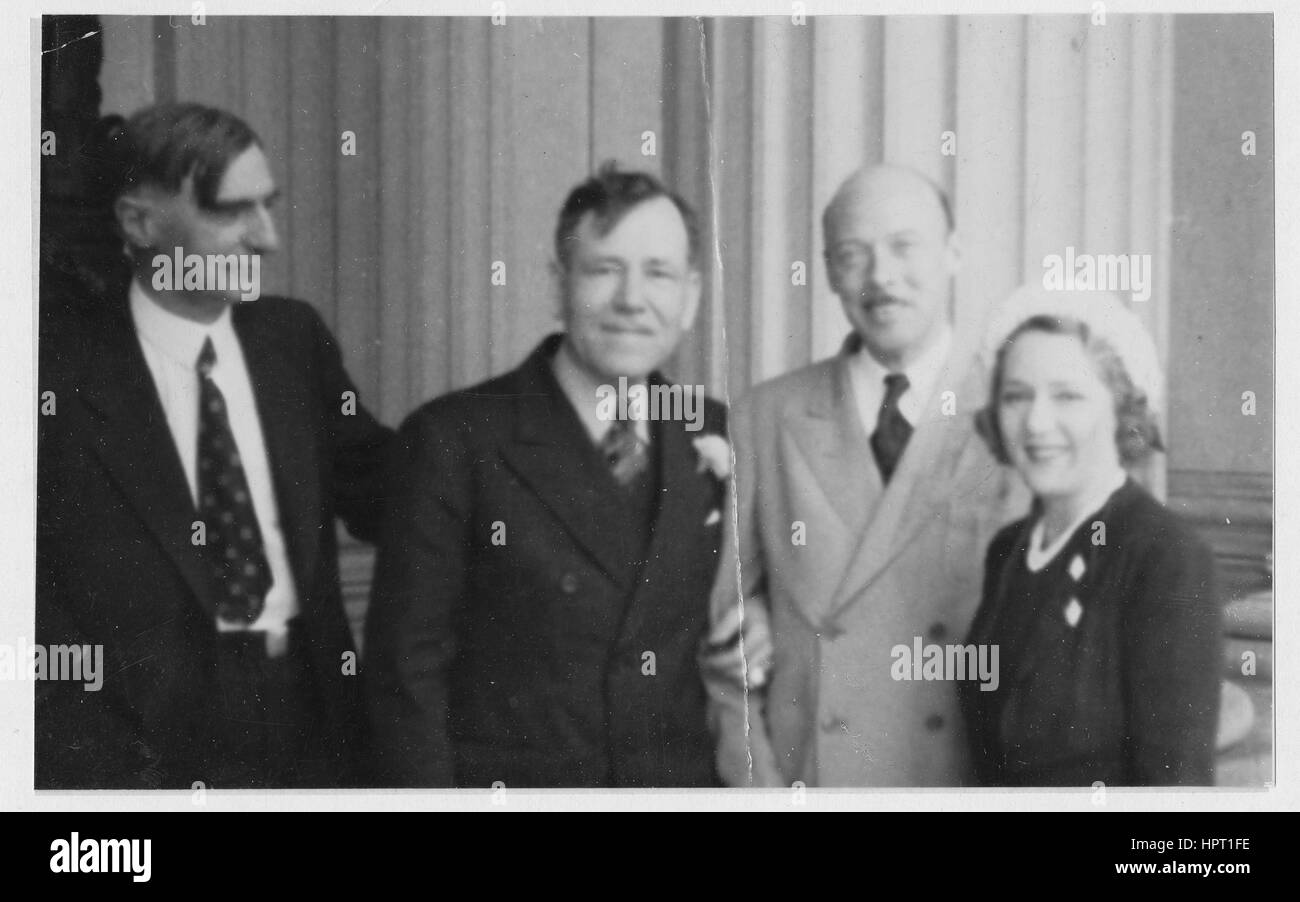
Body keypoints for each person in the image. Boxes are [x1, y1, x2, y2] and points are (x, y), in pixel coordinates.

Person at [36, 102, 393, 788]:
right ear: (139, 221)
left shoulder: (292, 341)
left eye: (269, 206)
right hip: (143, 751)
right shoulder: (55, 380)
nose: (268, 239)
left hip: (311, 721)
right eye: (234, 211)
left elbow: (389, 488)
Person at [365, 163, 727, 787]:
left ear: (690, 298)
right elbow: (406, 677)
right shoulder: (454, 440)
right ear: (558, 285)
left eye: (659, 274)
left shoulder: (717, 431)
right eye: (604, 269)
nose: (632, 300)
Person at [702, 164, 1024, 786]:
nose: (881, 278)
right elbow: (726, 648)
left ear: (953, 253)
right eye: (853, 255)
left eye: (905, 247)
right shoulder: (766, 416)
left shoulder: (1018, 411)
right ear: (828, 271)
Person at [959, 287, 1221, 786]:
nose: (1036, 423)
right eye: (1015, 396)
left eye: (1068, 396)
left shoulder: (1165, 558)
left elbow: (1175, 789)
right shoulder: (1009, 548)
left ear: (1123, 411)